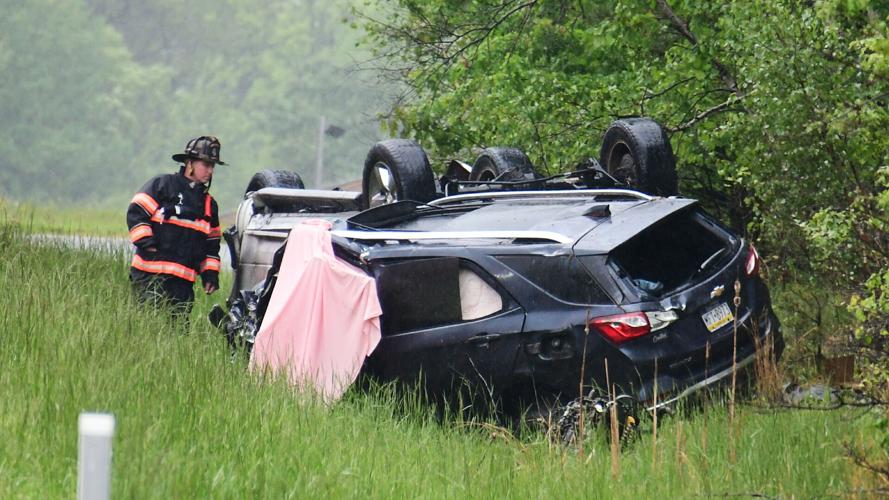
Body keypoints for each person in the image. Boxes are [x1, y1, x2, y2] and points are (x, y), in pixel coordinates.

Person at [126, 136, 224, 321]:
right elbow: (136, 211)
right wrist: (146, 242)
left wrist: (210, 274)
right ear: (190, 163)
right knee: (147, 325)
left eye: (213, 166)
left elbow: (212, 245)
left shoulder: (210, 204)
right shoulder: (163, 185)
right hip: (150, 276)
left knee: (177, 333)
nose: (210, 171)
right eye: (206, 164)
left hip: (183, 285)